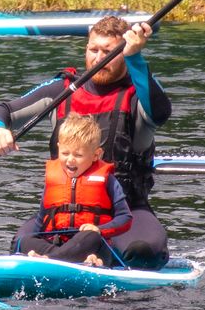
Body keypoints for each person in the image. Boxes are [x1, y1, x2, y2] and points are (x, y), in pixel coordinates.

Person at [0, 14, 172, 268]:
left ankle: (79, 256)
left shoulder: (136, 93)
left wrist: (135, 58)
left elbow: (161, 112)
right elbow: (4, 111)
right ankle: (79, 257)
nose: (98, 58)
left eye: (109, 51)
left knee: (144, 252)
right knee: (19, 242)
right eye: (93, 50)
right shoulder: (62, 90)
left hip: (125, 212)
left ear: (124, 52)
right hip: (61, 214)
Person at [16, 114, 132, 267]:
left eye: (78, 155)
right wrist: (28, 245)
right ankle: (58, 259)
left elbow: (125, 218)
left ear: (96, 155)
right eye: (65, 153)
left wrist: (99, 229)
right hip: (57, 245)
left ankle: (51, 260)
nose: (70, 159)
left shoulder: (108, 181)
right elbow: (41, 219)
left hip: (92, 246)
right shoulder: (53, 180)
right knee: (25, 240)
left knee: (90, 236)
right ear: (58, 148)